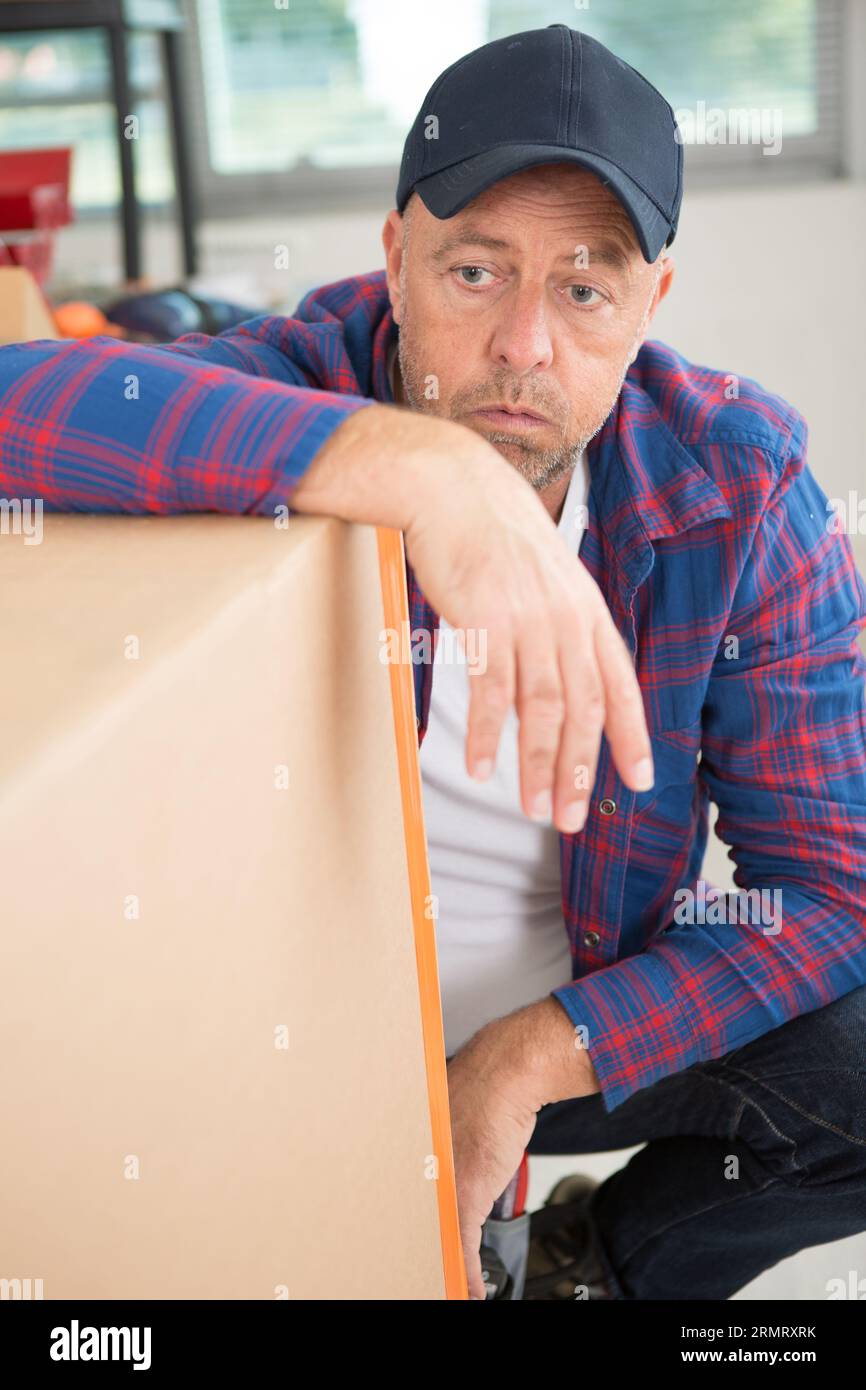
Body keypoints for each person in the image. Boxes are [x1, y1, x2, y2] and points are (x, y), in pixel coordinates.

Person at [2, 25, 865, 1301]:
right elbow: (24, 401)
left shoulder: (735, 487)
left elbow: (827, 896)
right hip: (290, 1039)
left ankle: (599, 1270)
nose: (523, 343)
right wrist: (420, 470)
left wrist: (519, 1062)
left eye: (583, 288)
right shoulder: (301, 382)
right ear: (394, 259)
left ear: (648, 307)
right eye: (473, 271)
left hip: (570, 1039)